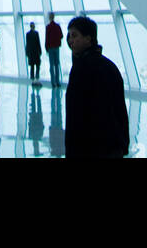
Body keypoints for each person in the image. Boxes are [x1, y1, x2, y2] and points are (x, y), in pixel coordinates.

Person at [65, 15, 129, 158]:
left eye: (75, 36)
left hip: (89, 150)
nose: (70, 41)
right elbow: (120, 111)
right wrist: (123, 144)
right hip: (112, 148)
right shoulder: (110, 67)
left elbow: (75, 118)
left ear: (89, 39)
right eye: (69, 36)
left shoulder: (80, 70)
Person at [45, 11, 63, 87]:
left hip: (50, 48)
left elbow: (47, 38)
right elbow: (61, 36)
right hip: (56, 47)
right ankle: (58, 81)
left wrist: (46, 47)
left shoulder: (48, 27)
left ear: (49, 17)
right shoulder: (57, 26)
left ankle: (53, 82)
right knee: (56, 64)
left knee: (51, 65)